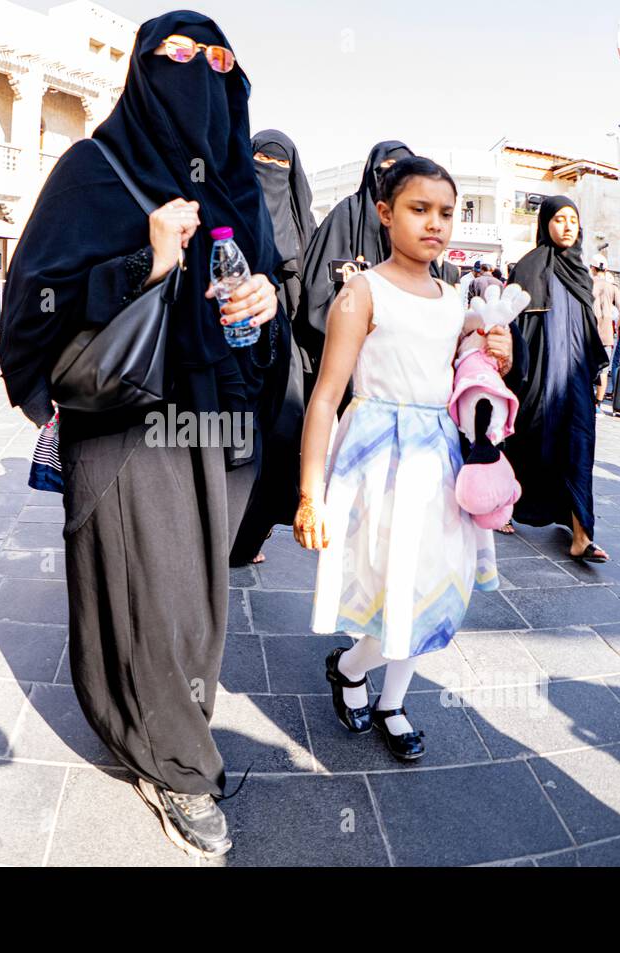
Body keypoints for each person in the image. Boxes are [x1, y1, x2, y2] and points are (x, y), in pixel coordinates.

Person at [0, 11, 285, 860]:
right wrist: (146, 262)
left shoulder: (239, 182)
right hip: (130, 419)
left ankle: (155, 720)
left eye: (220, 58)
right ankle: (178, 765)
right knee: (153, 592)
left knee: (193, 604)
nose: (201, 72)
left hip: (220, 415)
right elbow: (32, 305)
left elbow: (267, 309)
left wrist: (265, 304)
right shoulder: (94, 168)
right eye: (180, 55)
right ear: (143, 67)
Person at [294, 156, 515, 763]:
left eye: (446, 212)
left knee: (426, 585)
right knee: (386, 582)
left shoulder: (456, 300)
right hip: (373, 459)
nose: (435, 223)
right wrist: (311, 493)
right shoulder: (361, 293)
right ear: (386, 214)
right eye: (419, 210)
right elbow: (325, 397)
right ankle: (351, 667)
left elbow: (478, 373)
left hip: (436, 462)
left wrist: (498, 347)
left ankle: (388, 699)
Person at [501, 196, 609, 562]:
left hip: (575, 378)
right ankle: (505, 506)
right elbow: (513, 325)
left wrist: (595, 371)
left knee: (579, 443)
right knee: (526, 441)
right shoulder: (528, 267)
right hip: (537, 377)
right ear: (545, 222)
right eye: (559, 218)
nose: (567, 225)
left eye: (573, 219)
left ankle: (582, 534)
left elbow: (587, 326)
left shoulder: (581, 271)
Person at [229, 128, 317, 566]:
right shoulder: (232, 214)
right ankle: (223, 533)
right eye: (262, 160)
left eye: (282, 165)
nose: (272, 171)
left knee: (280, 444)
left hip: (288, 356)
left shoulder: (308, 230)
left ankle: (250, 539)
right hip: (235, 348)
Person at [299, 140, 415, 344]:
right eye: (386, 167)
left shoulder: (417, 222)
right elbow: (317, 288)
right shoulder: (347, 214)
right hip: (352, 345)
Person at [590, 259, 620, 407]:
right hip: (606, 334)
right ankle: (597, 404)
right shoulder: (613, 288)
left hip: (588, 333)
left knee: (583, 368)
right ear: (606, 270)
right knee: (603, 370)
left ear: (593, 268)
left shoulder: (587, 284)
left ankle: (583, 400)